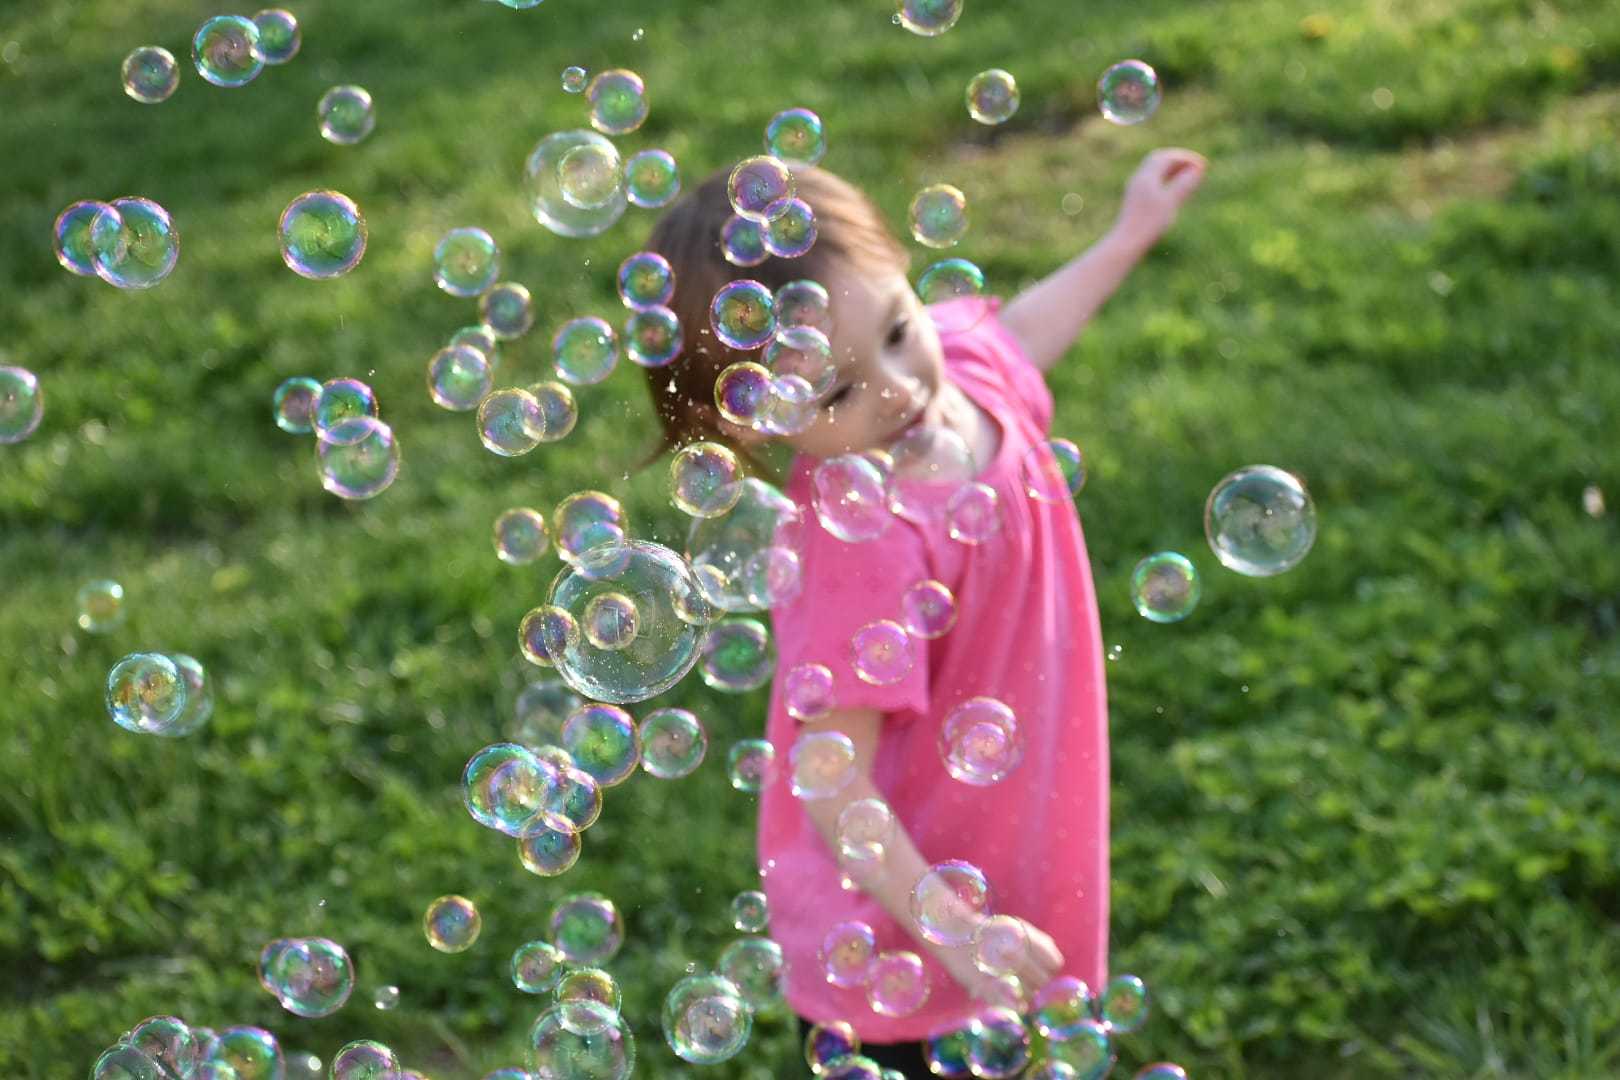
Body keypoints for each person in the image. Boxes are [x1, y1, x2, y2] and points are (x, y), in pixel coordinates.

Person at [645, 148, 1206, 1075]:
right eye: (836, 392)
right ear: (754, 419)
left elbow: (1017, 337)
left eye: (900, 331)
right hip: (901, 950)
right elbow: (830, 777)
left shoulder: (961, 383)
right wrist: (953, 927)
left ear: (904, 278)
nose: (899, 388)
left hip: (1004, 863)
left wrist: (1128, 234)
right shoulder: (860, 540)